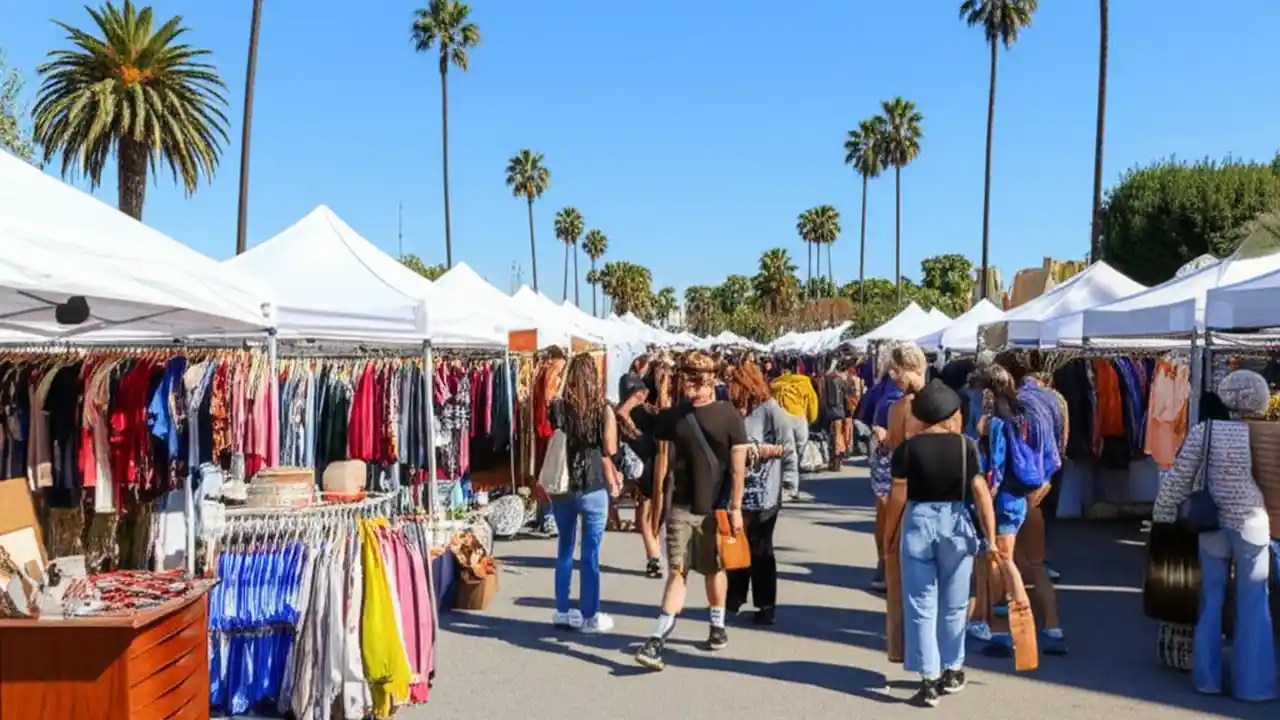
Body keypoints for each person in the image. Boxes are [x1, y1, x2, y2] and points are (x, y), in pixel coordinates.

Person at [1153, 370, 1277, 702]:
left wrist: (1162, 515)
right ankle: (1254, 686)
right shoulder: (1264, 433)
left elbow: (1180, 477)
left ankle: (1206, 679)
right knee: (1253, 604)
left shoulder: (1205, 431)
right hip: (1251, 524)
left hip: (1210, 524)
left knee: (1210, 602)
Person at [883, 380, 997, 707]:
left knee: (921, 603)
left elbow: (898, 499)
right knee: (955, 603)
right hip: (956, 525)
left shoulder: (907, 449)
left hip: (919, 522)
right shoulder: (966, 448)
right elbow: (980, 495)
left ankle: (928, 679)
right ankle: (952, 669)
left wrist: (889, 536)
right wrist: (991, 537)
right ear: (951, 414)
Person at [635, 351, 750, 671]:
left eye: (694, 380)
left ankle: (717, 625)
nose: (688, 386)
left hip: (716, 509)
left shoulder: (729, 416)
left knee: (714, 570)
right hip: (681, 508)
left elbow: (738, 469)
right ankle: (657, 639)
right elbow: (655, 449)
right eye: (684, 379)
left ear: (710, 381)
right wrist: (658, 508)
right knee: (678, 570)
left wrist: (737, 507)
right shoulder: (674, 417)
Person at [971, 363, 1063, 656]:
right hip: (1030, 496)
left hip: (1005, 499)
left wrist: (983, 501)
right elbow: (1052, 458)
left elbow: (994, 472)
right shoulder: (1031, 415)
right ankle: (1053, 627)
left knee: (1001, 560)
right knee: (1035, 564)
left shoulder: (996, 422)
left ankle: (1007, 631)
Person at [548, 354, 621, 633]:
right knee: (590, 553)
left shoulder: (558, 408)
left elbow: (551, 433)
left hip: (563, 487)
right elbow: (610, 449)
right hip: (592, 487)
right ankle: (590, 615)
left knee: (565, 548)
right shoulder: (602, 409)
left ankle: (563, 611)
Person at [725, 360, 798, 624]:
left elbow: (788, 445)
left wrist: (788, 481)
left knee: (761, 548)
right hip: (738, 491)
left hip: (765, 491)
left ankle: (766, 605)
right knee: (737, 545)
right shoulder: (733, 410)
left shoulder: (770, 409)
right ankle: (734, 598)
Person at [616, 366, 664, 578]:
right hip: (650, 466)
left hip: (649, 468)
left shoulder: (636, 411)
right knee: (646, 517)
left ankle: (654, 559)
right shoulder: (642, 411)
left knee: (646, 517)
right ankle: (653, 556)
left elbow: (622, 416)